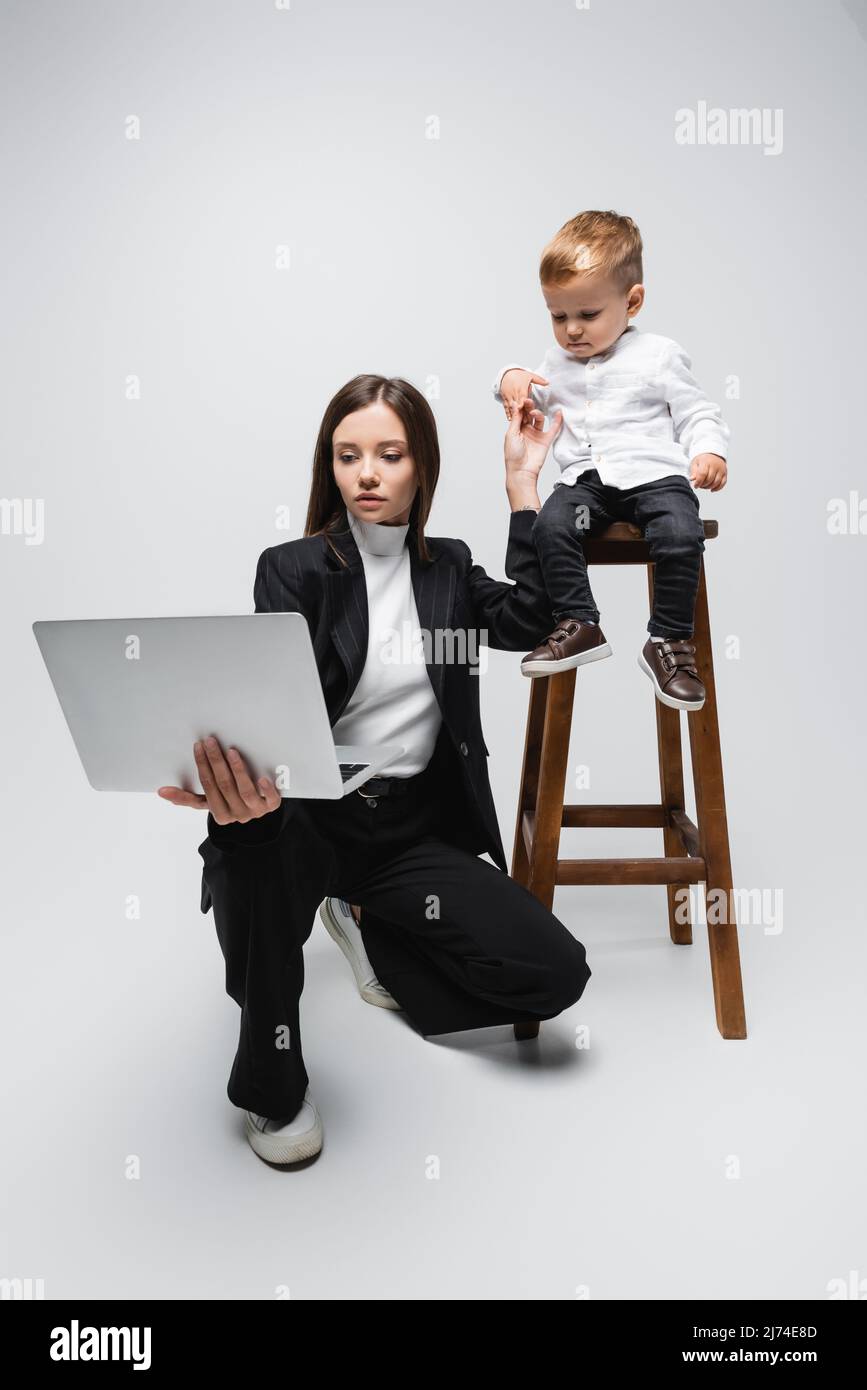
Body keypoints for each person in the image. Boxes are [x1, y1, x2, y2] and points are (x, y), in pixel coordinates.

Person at [158, 374, 591, 1167]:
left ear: (419, 465)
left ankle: (363, 923)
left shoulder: (449, 569)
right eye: (347, 455)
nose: (366, 473)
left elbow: (534, 621)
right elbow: (268, 704)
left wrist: (522, 486)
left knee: (553, 974)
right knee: (254, 852)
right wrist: (232, 790)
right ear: (329, 467)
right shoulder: (292, 569)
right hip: (307, 821)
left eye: (388, 455)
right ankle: (270, 1089)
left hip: (407, 834)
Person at [492, 209, 730, 710]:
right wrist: (511, 378)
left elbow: (697, 411)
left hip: (654, 479)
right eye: (559, 317)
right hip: (589, 485)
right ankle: (580, 622)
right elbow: (517, 388)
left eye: (587, 315)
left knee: (679, 532)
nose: (572, 329)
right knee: (552, 524)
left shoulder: (659, 355)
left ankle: (667, 639)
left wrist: (708, 450)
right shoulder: (556, 364)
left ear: (633, 302)